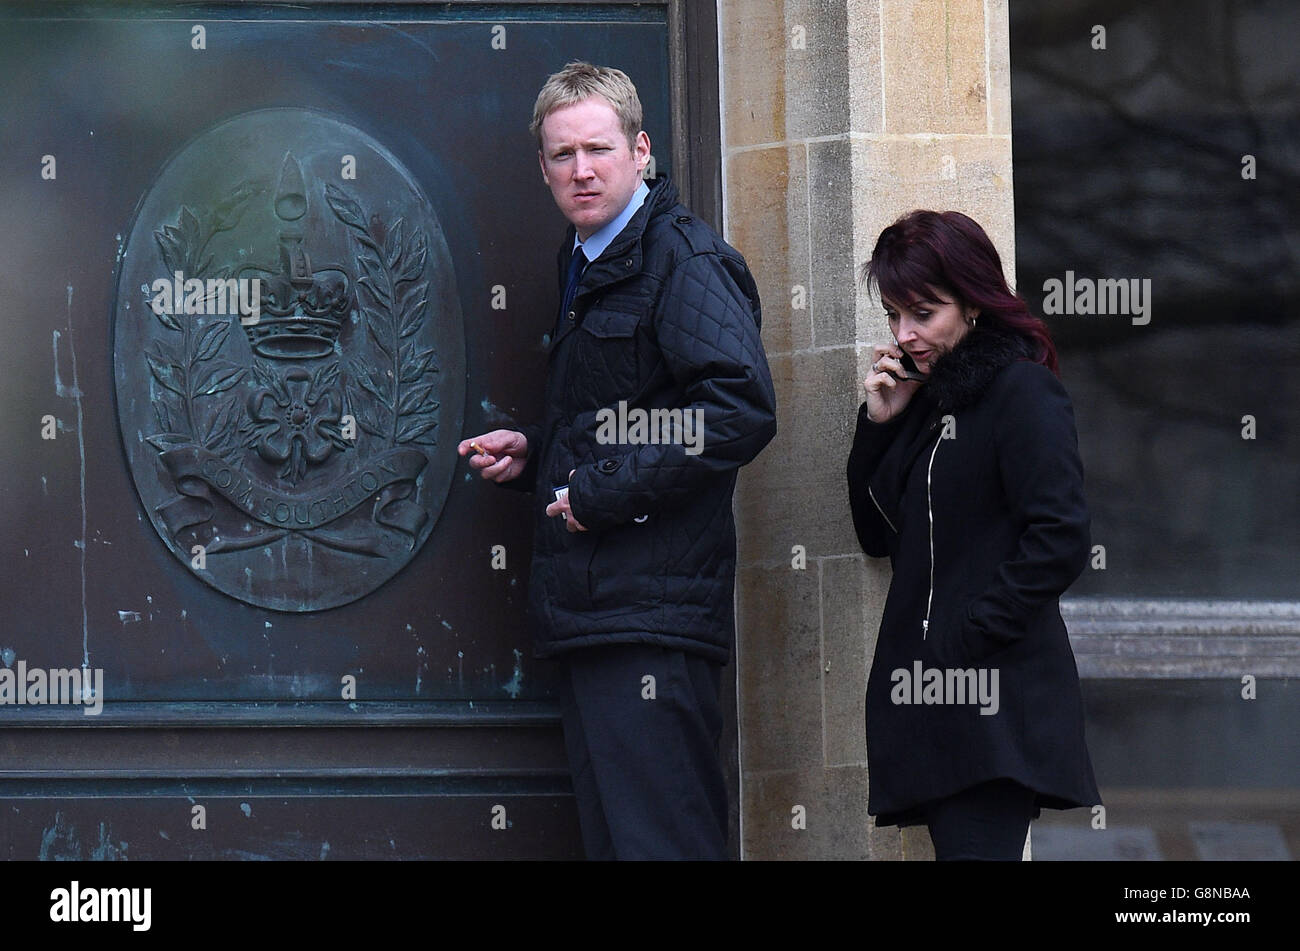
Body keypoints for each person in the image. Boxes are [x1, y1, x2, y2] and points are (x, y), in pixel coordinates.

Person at [458, 61, 776, 860]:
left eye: (598, 149)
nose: (581, 170)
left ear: (640, 150)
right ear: (542, 167)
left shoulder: (684, 259)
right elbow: (628, 414)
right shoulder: (585, 259)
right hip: (599, 613)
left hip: (652, 619)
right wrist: (539, 454)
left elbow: (737, 409)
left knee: (661, 847)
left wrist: (602, 492)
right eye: (562, 155)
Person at [846, 210, 1100, 860]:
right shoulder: (925, 405)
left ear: (974, 304)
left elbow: (1060, 536)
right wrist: (879, 424)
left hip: (993, 705)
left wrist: (966, 637)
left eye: (923, 313)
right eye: (895, 314)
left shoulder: (1022, 391)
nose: (905, 334)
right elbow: (877, 536)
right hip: (932, 710)